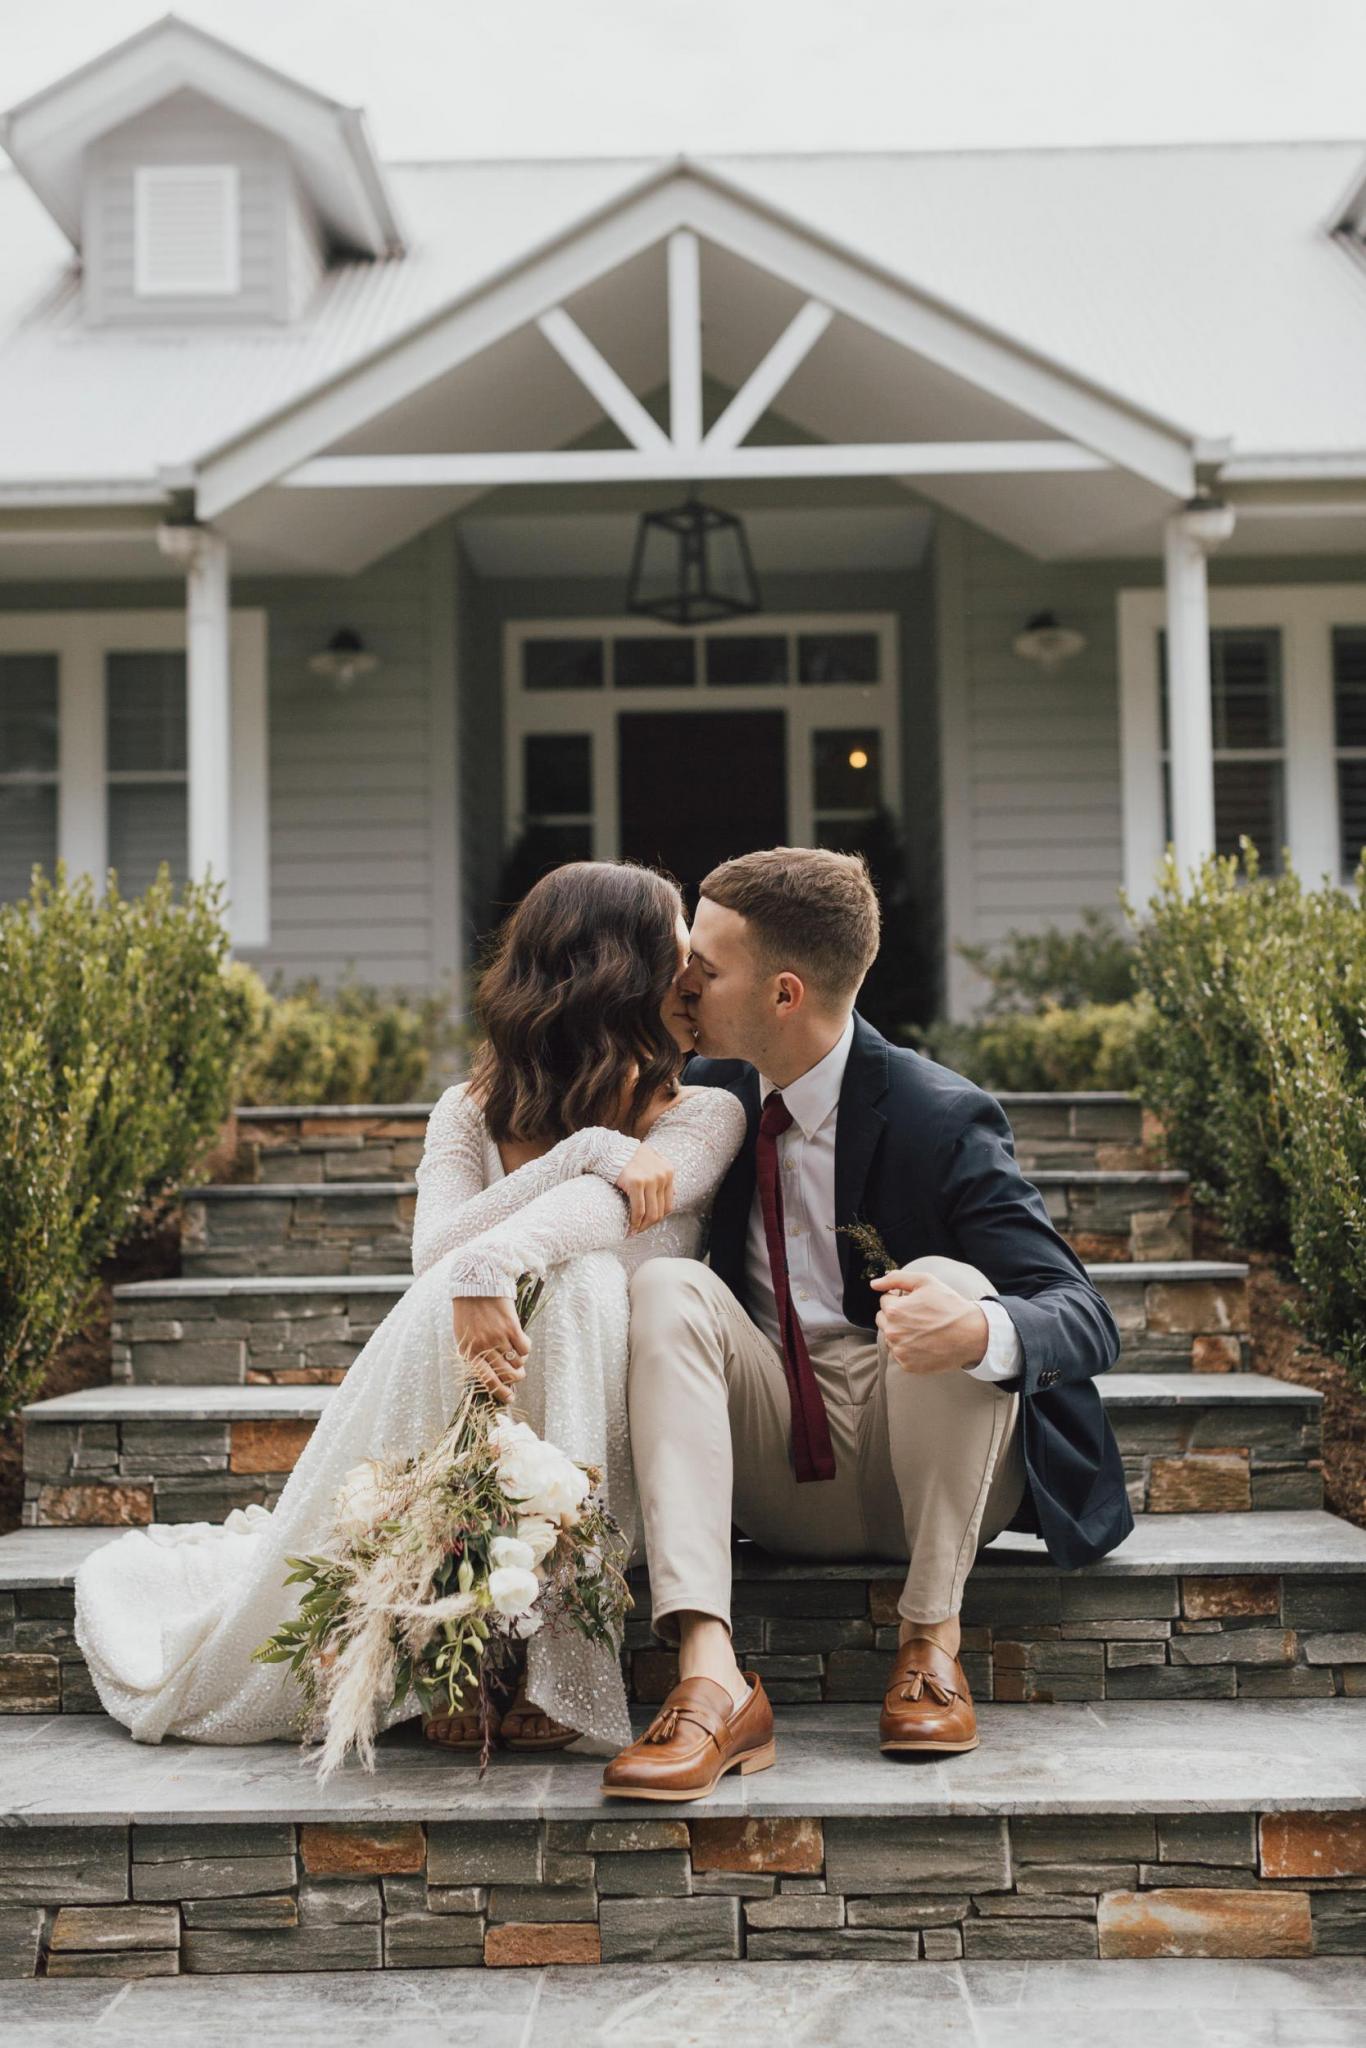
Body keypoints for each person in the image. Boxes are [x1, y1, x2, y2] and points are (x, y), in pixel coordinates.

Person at [72, 862, 746, 1757]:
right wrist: (584, 1149)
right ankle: (440, 1638)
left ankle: (556, 1648)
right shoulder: (465, 1114)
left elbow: (590, 1229)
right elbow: (438, 1257)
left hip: (609, 1401)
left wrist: (517, 1237)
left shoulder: (704, 1113)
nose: (693, 978)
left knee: (580, 1282)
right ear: (614, 975)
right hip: (471, 1384)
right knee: (464, 1292)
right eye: (677, 957)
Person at [601, 845, 1132, 1803]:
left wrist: (979, 1330)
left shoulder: (939, 1113)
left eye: (706, 970)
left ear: (786, 994)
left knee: (950, 1281)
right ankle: (710, 1677)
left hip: (923, 1465)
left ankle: (932, 1645)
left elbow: (1085, 1316)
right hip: (776, 1462)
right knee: (668, 1291)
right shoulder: (705, 1101)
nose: (682, 984)